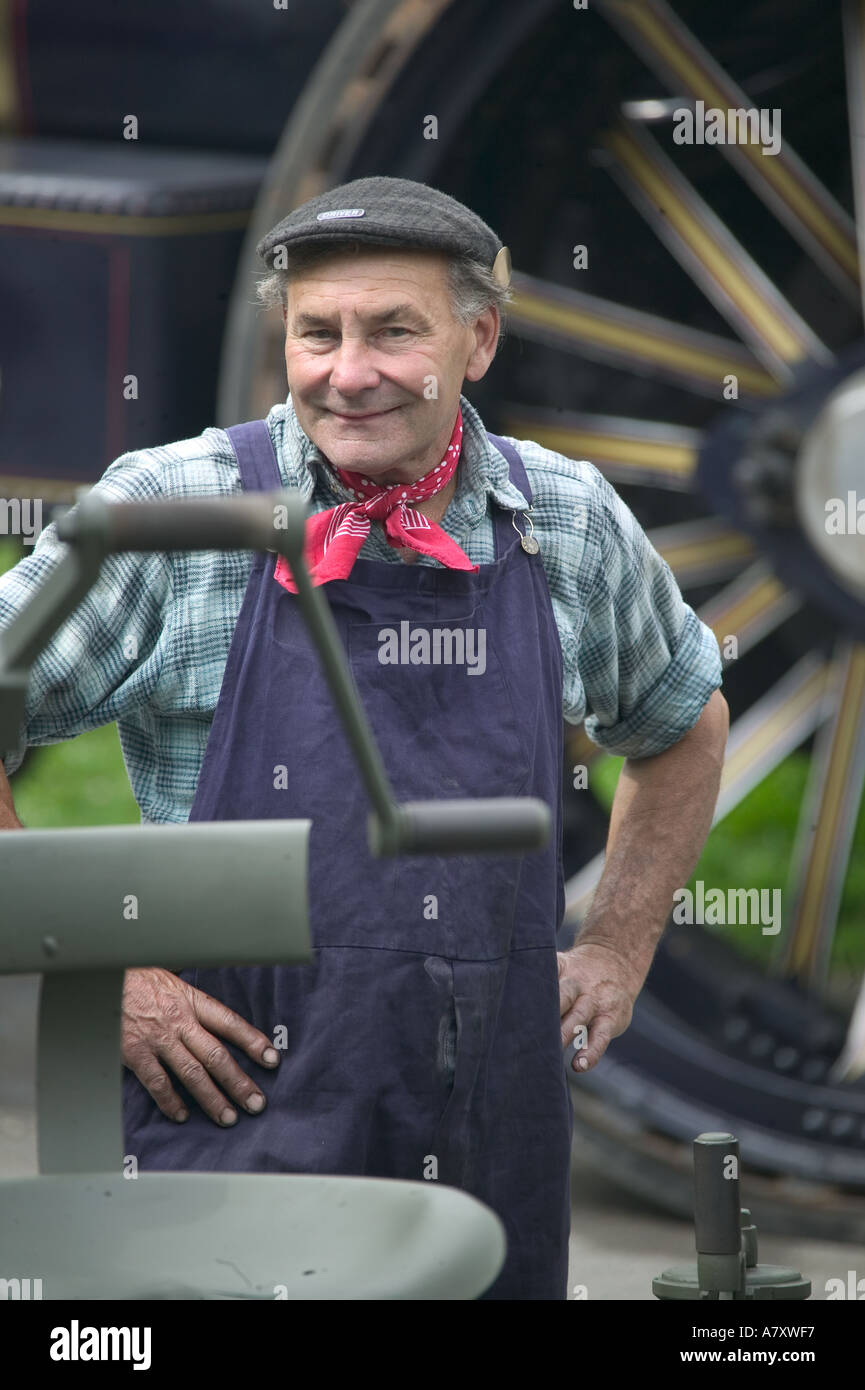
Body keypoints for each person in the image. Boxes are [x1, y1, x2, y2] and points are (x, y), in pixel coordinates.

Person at [0, 175, 728, 1300]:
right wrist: (106, 967)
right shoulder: (176, 507)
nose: (349, 374)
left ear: (478, 341)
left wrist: (619, 947)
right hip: (230, 1121)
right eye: (317, 334)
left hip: (488, 1138)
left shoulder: (567, 523)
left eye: (395, 331)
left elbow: (683, 716)